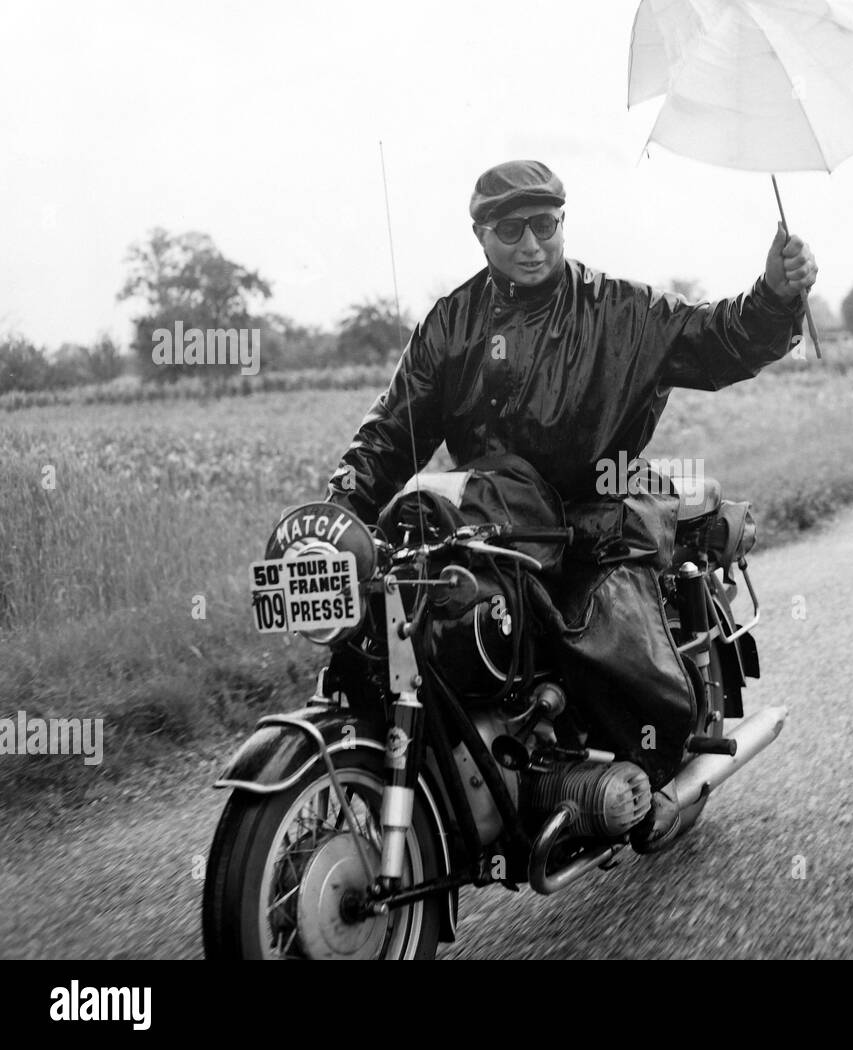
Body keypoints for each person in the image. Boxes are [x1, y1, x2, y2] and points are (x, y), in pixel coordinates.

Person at [324, 159, 816, 850]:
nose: (531, 244)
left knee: (601, 616)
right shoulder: (450, 324)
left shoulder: (621, 310)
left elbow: (720, 340)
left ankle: (639, 763)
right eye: (511, 229)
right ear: (481, 234)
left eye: (545, 225)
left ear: (562, 222)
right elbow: (389, 433)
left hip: (601, 502)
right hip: (499, 517)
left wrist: (774, 295)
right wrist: (338, 512)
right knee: (413, 590)